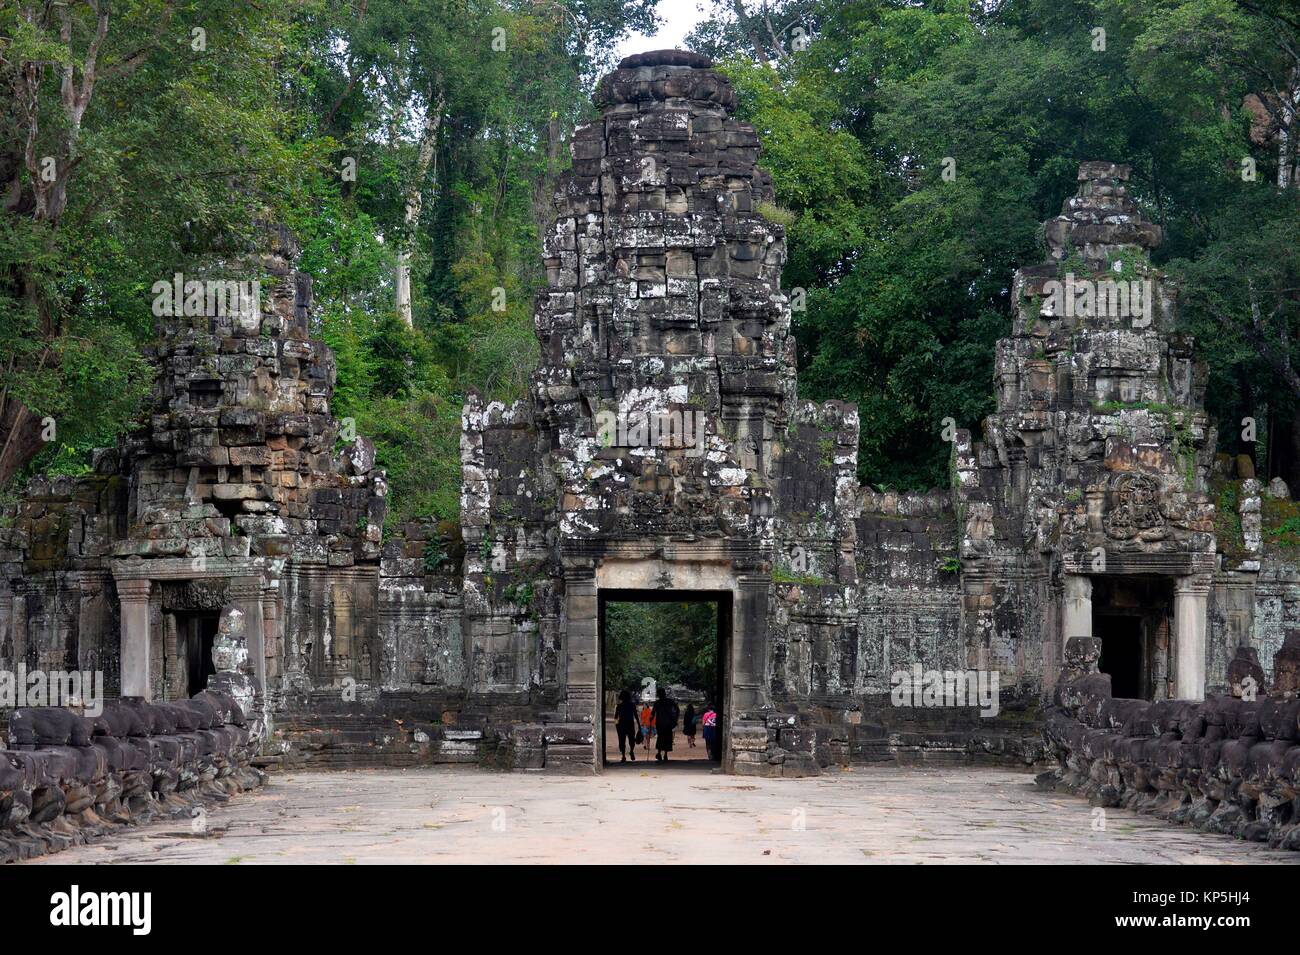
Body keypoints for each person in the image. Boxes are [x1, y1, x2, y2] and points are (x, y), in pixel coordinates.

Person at [651, 686, 679, 762]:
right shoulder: (669, 701)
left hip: (660, 723)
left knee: (660, 738)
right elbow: (677, 709)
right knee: (667, 738)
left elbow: (652, 713)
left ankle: (659, 752)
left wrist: (651, 718)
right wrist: (675, 718)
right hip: (668, 723)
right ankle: (665, 754)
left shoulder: (657, 703)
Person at [613, 689, 638, 763]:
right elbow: (636, 715)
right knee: (632, 740)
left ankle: (623, 756)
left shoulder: (619, 706)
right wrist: (639, 725)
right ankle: (631, 751)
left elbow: (615, 717)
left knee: (622, 740)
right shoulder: (632, 705)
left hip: (621, 724)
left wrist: (617, 725)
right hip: (630, 724)